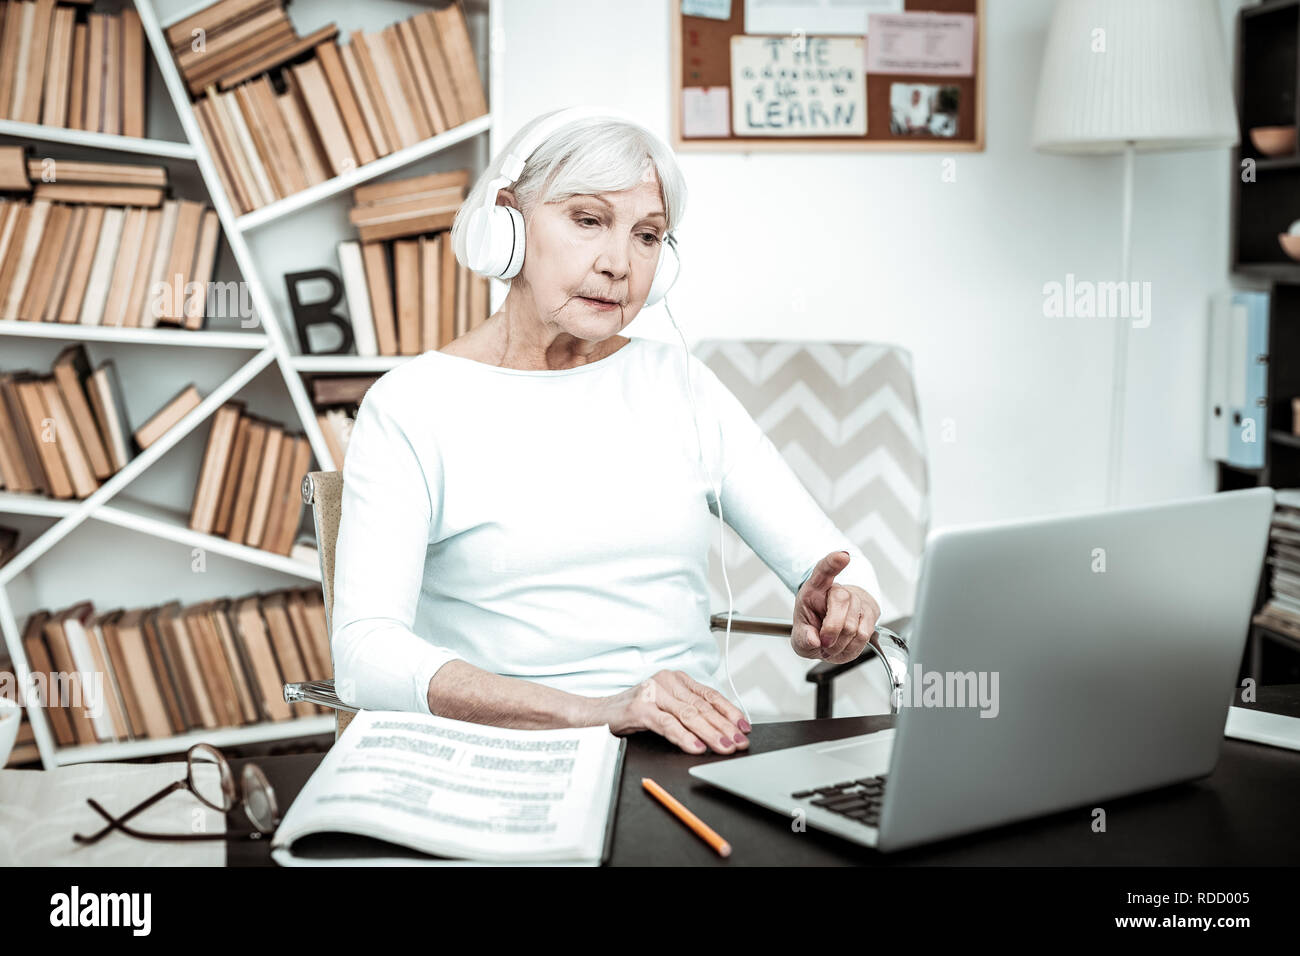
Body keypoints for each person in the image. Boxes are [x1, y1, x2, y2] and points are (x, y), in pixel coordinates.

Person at [330, 108, 884, 756]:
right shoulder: (412, 405)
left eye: (647, 236)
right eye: (588, 220)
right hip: (499, 760)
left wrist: (845, 604)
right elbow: (365, 656)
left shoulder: (680, 383)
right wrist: (604, 712)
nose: (619, 263)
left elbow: (837, 560)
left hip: (682, 759)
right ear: (507, 220)